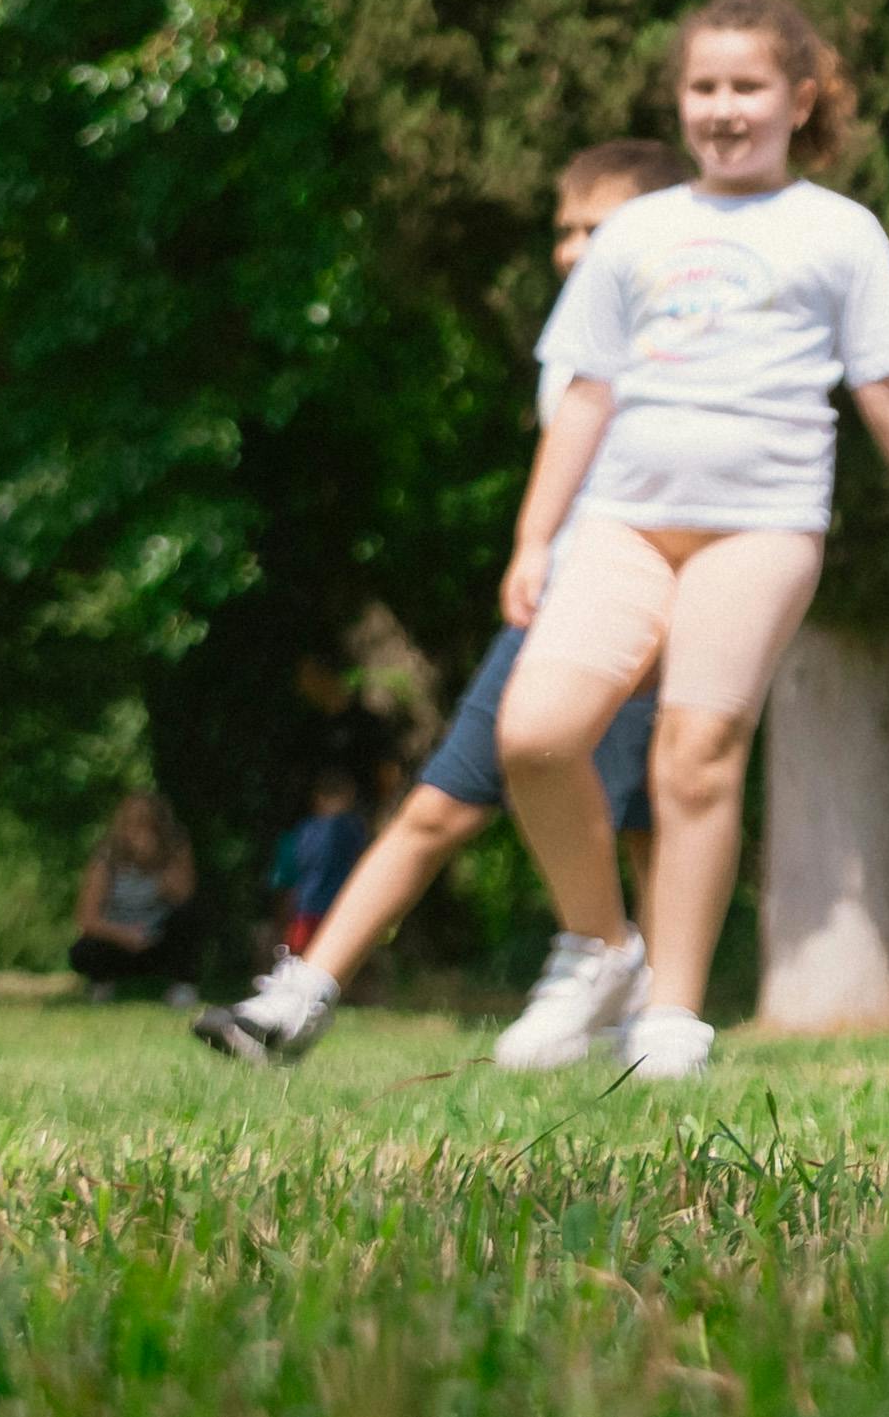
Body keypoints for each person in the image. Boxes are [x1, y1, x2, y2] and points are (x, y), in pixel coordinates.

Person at [491, 0, 889, 1084]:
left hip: (760, 526)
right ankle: (599, 947)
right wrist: (533, 538)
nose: (723, 107)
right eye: (703, 87)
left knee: (697, 755)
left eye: (747, 86)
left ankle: (673, 1013)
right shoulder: (638, 231)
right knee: (533, 733)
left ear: (799, 100)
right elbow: (583, 396)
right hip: (620, 520)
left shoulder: (838, 231)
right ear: (680, 100)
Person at [202, 139, 693, 1066]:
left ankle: (655, 1020)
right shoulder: (575, 343)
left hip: (637, 601)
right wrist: (533, 547)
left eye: (597, 226)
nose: (569, 248)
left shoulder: (677, 332)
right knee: (437, 802)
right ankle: (297, 999)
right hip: (558, 599)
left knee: (638, 825)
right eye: (564, 230)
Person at [67, 791, 199, 999]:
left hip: (158, 938)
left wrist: (153, 863)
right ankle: (102, 984)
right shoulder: (106, 857)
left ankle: (182, 986)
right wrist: (123, 935)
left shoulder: (175, 849)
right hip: (117, 938)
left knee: (191, 918)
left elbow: (184, 897)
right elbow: (86, 919)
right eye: (134, 823)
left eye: (148, 824)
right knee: (84, 950)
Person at [265, 772, 372, 961]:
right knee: (348, 965)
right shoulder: (353, 829)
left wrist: (281, 924)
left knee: (300, 963)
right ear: (349, 796)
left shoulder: (298, 833)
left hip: (305, 911)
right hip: (343, 911)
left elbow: (286, 882)